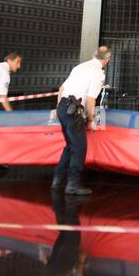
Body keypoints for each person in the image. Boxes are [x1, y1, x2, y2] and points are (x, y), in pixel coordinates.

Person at [51, 46, 111, 196]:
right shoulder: (98, 73)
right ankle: (73, 184)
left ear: (93, 55)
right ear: (107, 60)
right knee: (79, 148)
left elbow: (62, 88)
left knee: (70, 146)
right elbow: (91, 99)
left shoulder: (80, 67)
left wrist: (58, 108)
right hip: (74, 111)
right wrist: (91, 119)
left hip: (63, 108)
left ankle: (57, 180)